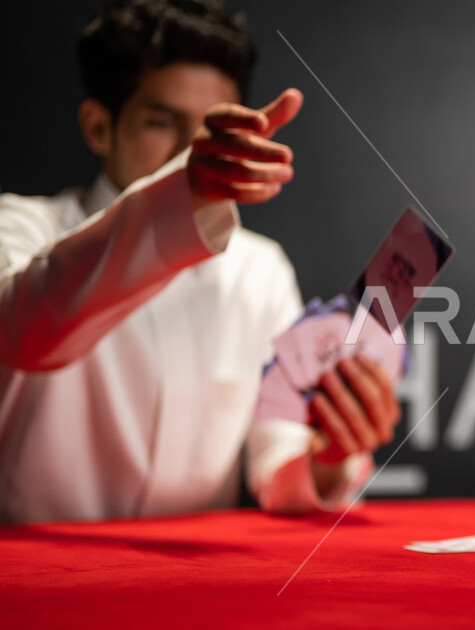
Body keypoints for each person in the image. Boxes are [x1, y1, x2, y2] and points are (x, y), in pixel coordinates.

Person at [0, 0, 399, 525]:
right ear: (99, 127)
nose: (193, 151)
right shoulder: (21, 227)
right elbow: (25, 330)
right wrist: (183, 192)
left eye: (217, 130)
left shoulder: (260, 269)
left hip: (191, 591)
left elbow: (277, 457)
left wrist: (329, 454)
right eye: (163, 123)